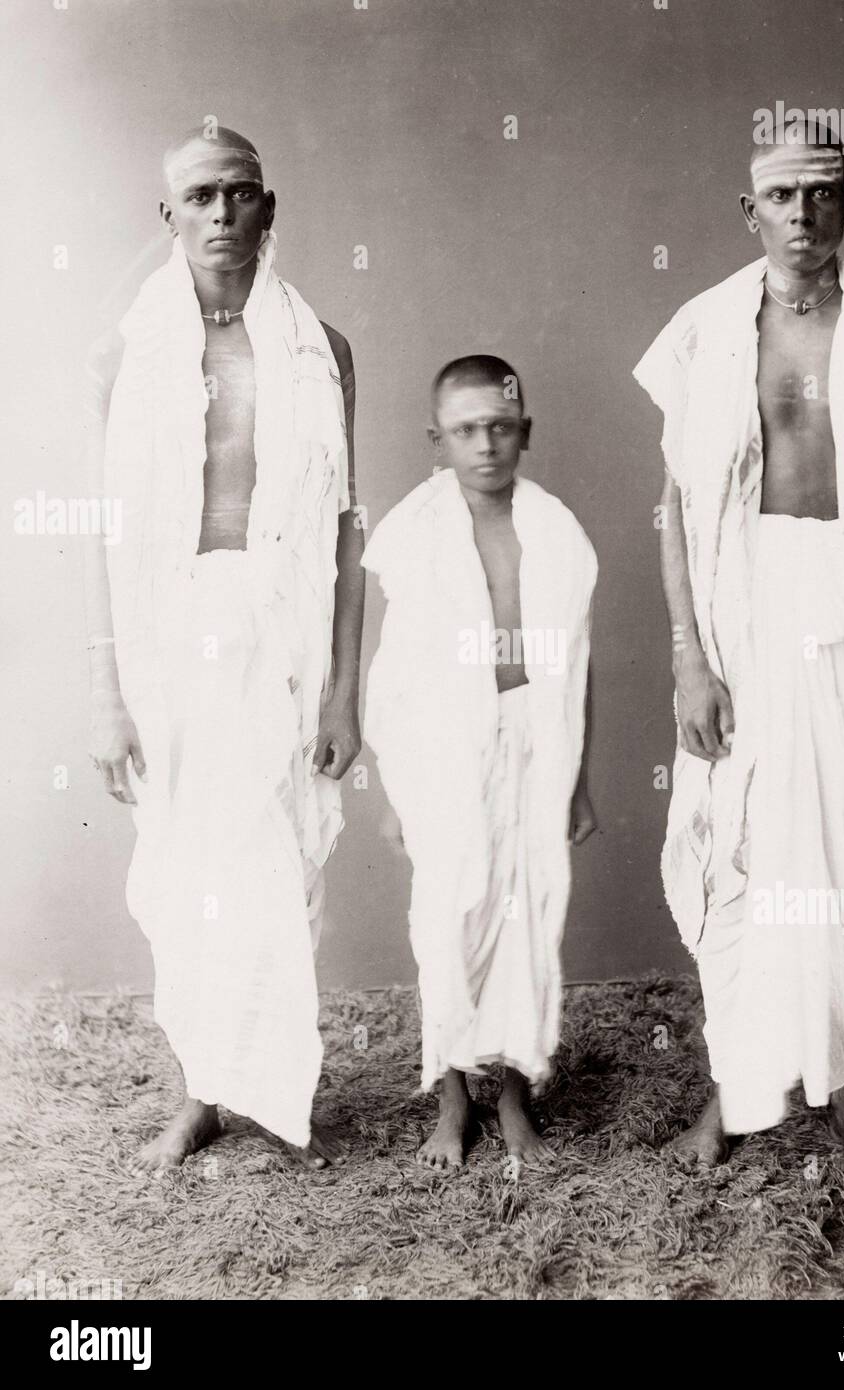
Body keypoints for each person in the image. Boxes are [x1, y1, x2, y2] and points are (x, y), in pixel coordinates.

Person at [633, 121, 844, 1166]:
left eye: (824, 194)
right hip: (741, 612)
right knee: (739, 849)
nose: (803, 214)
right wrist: (689, 656)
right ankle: (735, 1097)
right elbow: (676, 509)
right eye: (782, 196)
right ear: (749, 211)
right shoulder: (704, 332)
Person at [84, 127, 364, 1170]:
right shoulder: (125, 352)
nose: (220, 214)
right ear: (169, 215)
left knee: (282, 863)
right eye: (200, 195)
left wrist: (344, 691)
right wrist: (105, 686)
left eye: (240, 194)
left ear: (269, 208)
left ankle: (279, 1094)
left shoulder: (322, 350)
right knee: (184, 872)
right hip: (170, 645)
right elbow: (105, 533)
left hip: (281, 639)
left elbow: (345, 527)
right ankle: (199, 1096)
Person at [363, 356, 597, 1170]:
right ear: (438, 439)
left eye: (500, 426)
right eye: (466, 431)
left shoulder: (555, 528)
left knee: (526, 913)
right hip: (443, 744)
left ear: (524, 431)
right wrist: (398, 791)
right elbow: (393, 672)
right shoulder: (415, 531)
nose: (486, 444)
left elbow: (574, 663)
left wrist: (579, 777)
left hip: (534, 736)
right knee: (448, 918)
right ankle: (452, 1102)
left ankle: (513, 1096)